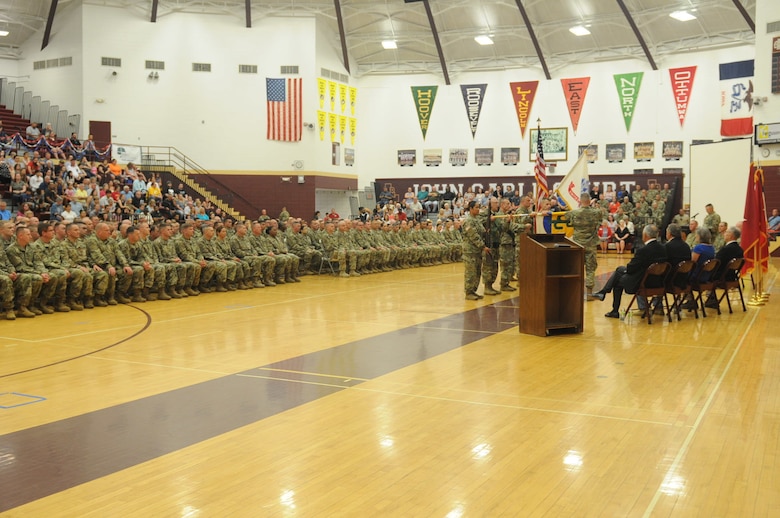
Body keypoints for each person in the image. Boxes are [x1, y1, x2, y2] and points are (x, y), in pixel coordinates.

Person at [593, 224, 667, 318]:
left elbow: (631, 269)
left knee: (617, 281)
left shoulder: (643, 250)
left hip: (642, 283)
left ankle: (613, 307)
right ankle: (603, 292)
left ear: (645, 235)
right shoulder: (663, 248)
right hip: (657, 282)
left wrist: (627, 270)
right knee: (619, 270)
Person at [563, 192, 601, 300]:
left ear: (580, 201)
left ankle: (575, 292)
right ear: (590, 201)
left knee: (576, 268)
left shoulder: (574, 213)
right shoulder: (596, 212)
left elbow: (565, 217)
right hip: (591, 244)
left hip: (578, 244)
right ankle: (589, 294)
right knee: (590, 269)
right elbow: (601, 216)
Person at [704, 227, 744, 309]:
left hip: (721, 277)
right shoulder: (740, 249)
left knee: (700, 274)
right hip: (732, 276)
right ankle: (711, 298)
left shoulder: (726, 249)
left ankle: (705, 299)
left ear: (731, 236)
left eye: (727, 232)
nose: (724, 234)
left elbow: (716, 262)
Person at [462, 200, 489, 300]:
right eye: (476, 207)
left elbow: (482, 232)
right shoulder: (468, 221)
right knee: (471, 272)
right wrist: (483, 246)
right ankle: (468, 292)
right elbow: (474, 236)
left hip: (477, 251)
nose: (478, 209)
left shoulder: (477, 220)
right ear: (471, 209)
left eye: (479, 207)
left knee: (477, 271)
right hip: (470, 251)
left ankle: (473, 290)